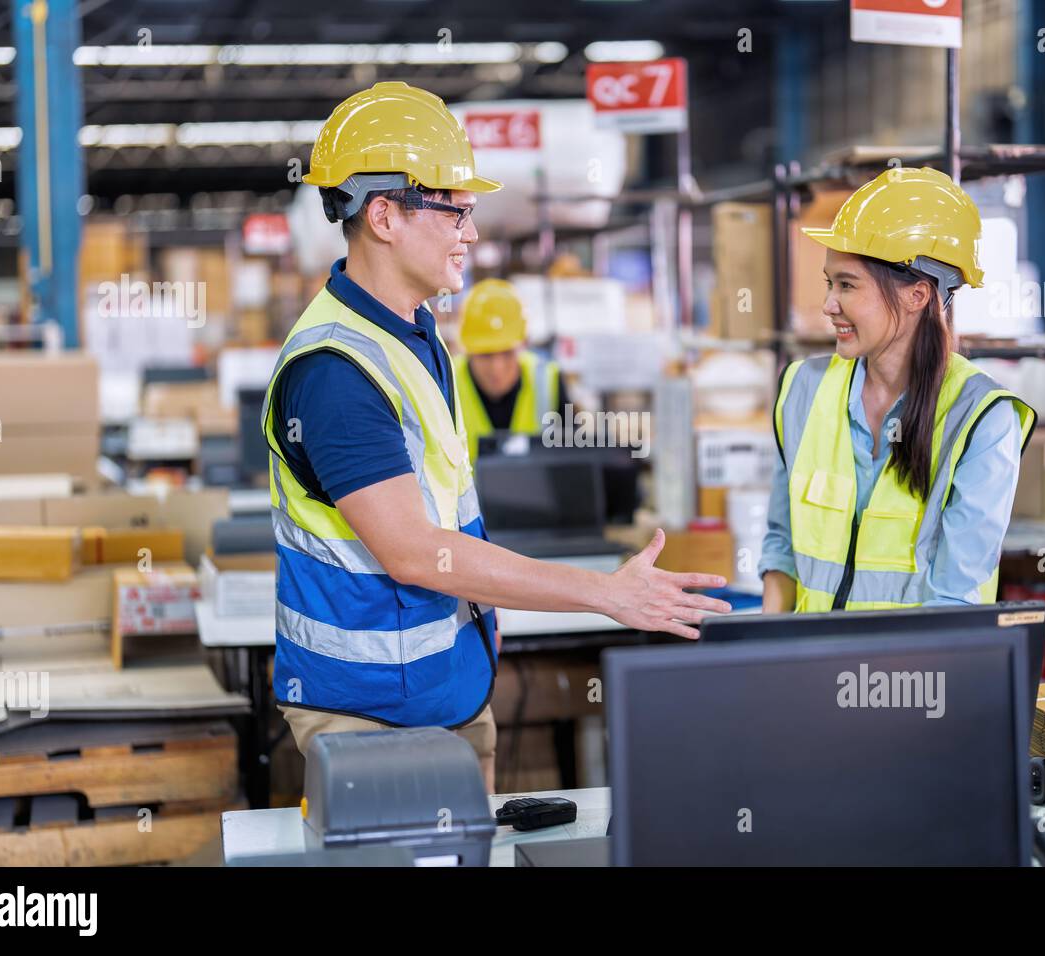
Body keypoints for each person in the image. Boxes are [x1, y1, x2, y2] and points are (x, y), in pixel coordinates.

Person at [263, 82, 730, 791]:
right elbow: (418, 553)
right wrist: (603, 593)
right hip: (372, 718)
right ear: (384, 215)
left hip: (445, 687)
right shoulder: (336, 372)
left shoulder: (416, 335)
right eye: (457, 211)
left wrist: (482, 618)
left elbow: (446, 514)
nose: (471, 234)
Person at [760, 167, 1037, 614]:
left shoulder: (982, 417)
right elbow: (781, 547)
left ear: (918, 296)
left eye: (847, 285)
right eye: (829, 283)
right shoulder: (802, 389)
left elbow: (953, 597)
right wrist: (763, 657)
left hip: (918, 678)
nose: (829, 305)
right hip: (806, 670)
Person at [451, 278, 565, 462]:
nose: (497, 368)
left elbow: (574, 458)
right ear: (468, 351)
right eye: (486, 355)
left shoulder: (547, 378)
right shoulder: (445, 382)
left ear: (524, 345)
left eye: (507, 353)